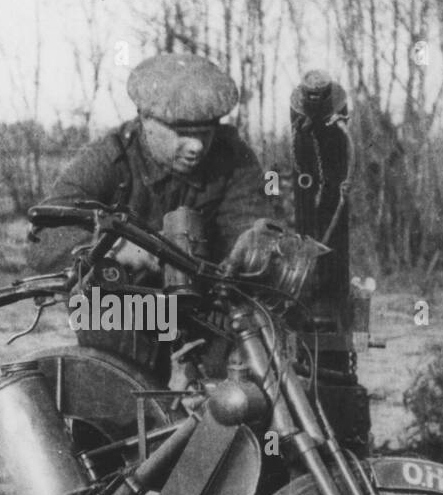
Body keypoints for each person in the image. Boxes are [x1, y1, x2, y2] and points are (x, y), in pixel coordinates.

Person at [27, 53, 275, 383]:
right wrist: (115, 250)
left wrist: (250, 250)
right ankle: (116, 428)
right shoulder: (108, 159)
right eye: (182, 132)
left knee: (245, 375)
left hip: (205, 299)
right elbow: (45, 235)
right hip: (125, 303)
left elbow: (247, 225)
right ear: (145, 120)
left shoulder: (231, 158)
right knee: (120, 383)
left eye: (206, 131)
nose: (197, 146)